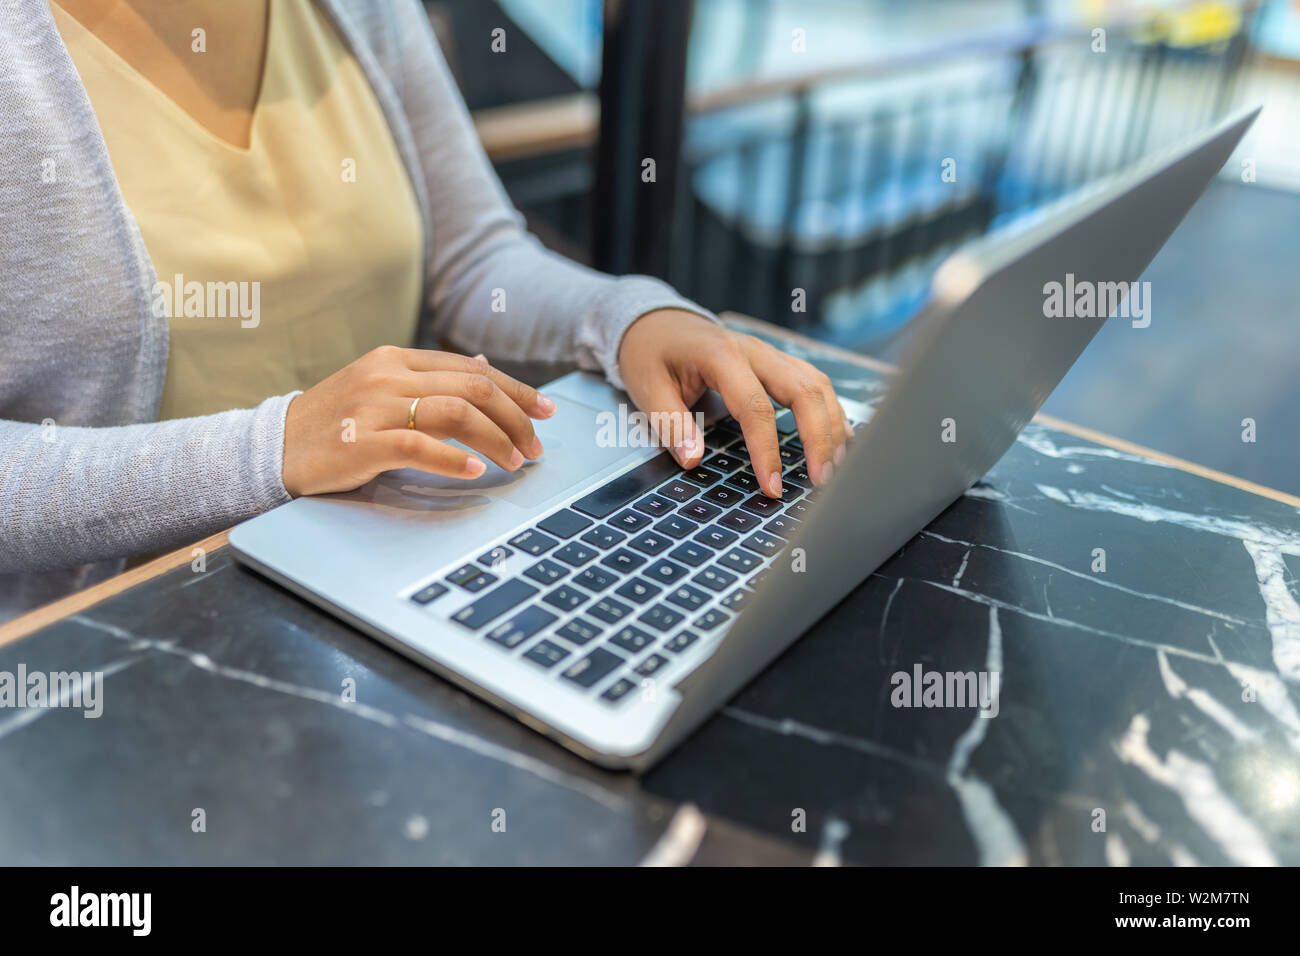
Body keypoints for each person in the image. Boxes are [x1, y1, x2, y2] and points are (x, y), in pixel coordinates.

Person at [0, 0, 848, 621]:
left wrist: (629, 319)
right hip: (122, 649)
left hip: (391, 587)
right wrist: (276, 447)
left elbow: (475, 260)